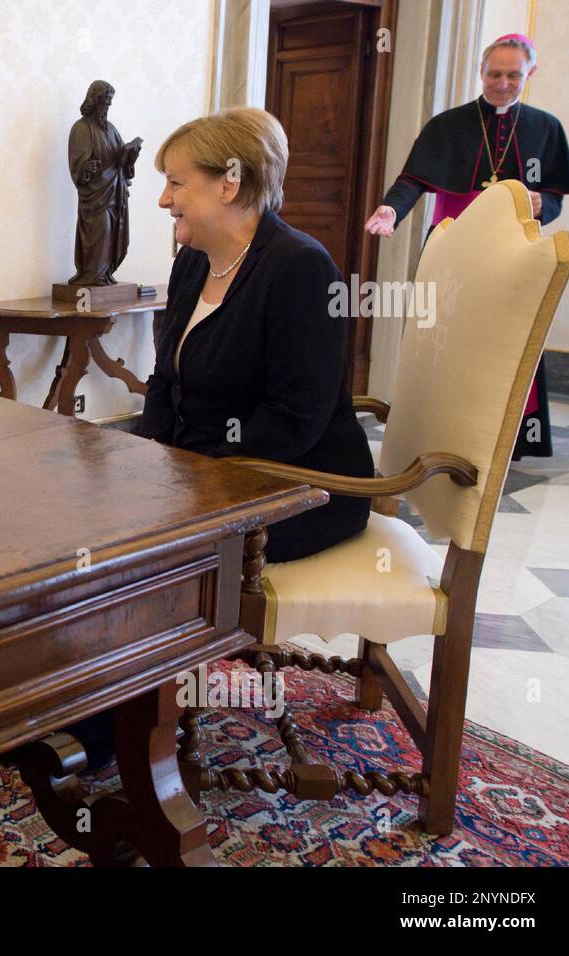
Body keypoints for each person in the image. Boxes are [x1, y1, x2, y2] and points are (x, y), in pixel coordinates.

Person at [67, 108, 376, 772]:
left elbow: (296, 419)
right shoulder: (192, 265)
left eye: (177, 182)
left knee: (148, 550)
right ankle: (61, 701)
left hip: (298, 487)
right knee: (81, 508)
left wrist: (182, 480)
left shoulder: (301, 269)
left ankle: (110, 733)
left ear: (230, 183)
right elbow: (165, 384)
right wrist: (143, 460)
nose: (162, 197)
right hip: (208, 473)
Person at [364, 34, 569, 458]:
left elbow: (553, 197)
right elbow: (413, 181)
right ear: (481, 73)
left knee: (501, 343)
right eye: (494, 74)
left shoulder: (545, 128)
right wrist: (390, 209)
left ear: (529, 74)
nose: (502, 83)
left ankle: (503, 440)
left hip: (511, 253)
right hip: (451, 249)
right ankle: (432, 429)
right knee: (440, 339)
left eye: (513, 75)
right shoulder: (449, 125)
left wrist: (541, 205)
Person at [67, 81, 142, 286]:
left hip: (115, 192)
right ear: (94, 101)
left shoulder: (111, 129)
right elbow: (77, 164)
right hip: (96, 196)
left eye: (109, 105)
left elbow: (120, 160)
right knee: (101, 231)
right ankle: (93, 275)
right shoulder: (81, 128)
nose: (106, 109)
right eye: (104, 104)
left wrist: (130, 156)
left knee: (114, 234)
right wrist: (86, 169)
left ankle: (105, 273)